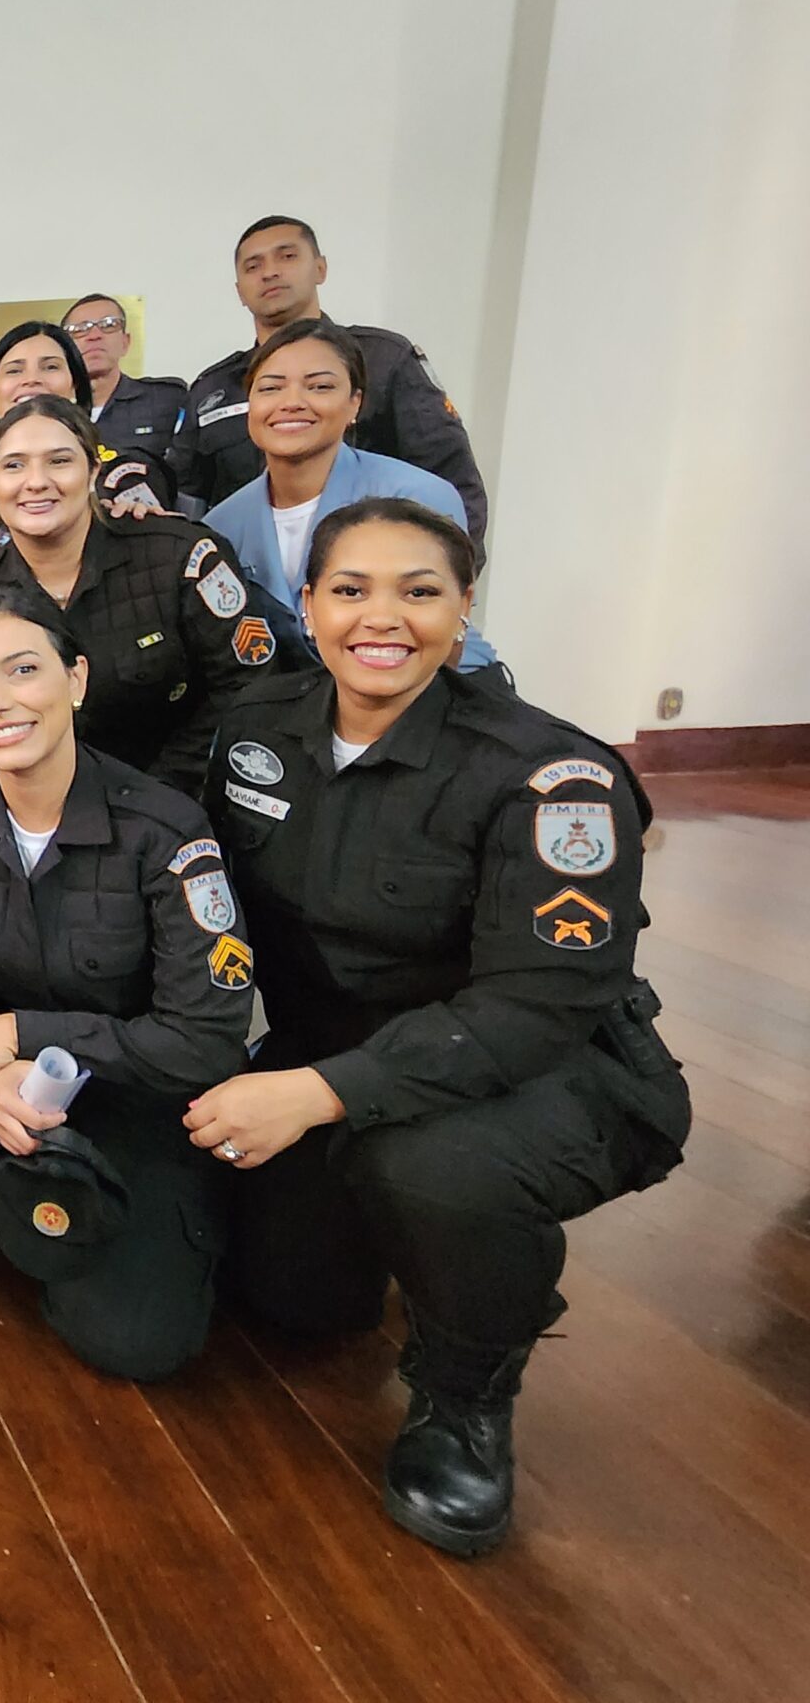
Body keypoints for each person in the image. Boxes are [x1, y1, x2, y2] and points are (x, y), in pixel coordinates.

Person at [195, 497, 685, 1557]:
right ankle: (386, 1234)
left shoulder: (551, 776)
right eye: (351, 589)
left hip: (541, 1073)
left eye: (419, 592)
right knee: (296, 1306)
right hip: (334, 1049)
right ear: (307, 605)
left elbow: (535, 1004)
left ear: (462, 611)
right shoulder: (255, 731)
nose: (384, 618)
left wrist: (317, 1093)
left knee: (432, 1169)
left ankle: (466, 1392)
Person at [0, 586, 251, 1382]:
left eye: (22, 670)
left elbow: (203, 1038)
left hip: (132, 1080)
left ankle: (68, 1194)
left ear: (77, 679)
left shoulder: (164, 829)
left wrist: (26, 1036)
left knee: (138, 1345)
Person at [0, 396, 272, 788]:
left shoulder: (176, 557)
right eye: (14, 465)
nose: (36, 481)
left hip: (185, 800)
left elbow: (248, 687)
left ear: (92, 472)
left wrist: (153, 793)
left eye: (59, 461)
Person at [203, 319, 497, 673]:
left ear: (354, 403)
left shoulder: (416, 497)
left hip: (439, 692)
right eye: (270, 388)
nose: (292, 402)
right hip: (302, 706)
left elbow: (447, 635)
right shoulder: (221, 526)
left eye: (320, 386)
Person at [185, 217, 489, 540]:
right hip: (251, 575)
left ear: (320, 269)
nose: (270, 272)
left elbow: (454, 482)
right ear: (239, 292)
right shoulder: (213, 389)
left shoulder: (385, 361)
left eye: (287, 256)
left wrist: (444, 584)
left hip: (374, 571)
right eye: (253, 266)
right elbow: (187, 497)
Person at [0, 320, 169, 517]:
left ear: (75, 386)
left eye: (51, 367)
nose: (32, 379)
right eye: (14, 370)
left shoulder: (125, 473)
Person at [63, 294, 187, 469]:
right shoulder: (50, 413)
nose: (94, 335)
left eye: (108, 325)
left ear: (125, 342)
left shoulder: (166, 399)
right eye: (80, 329)